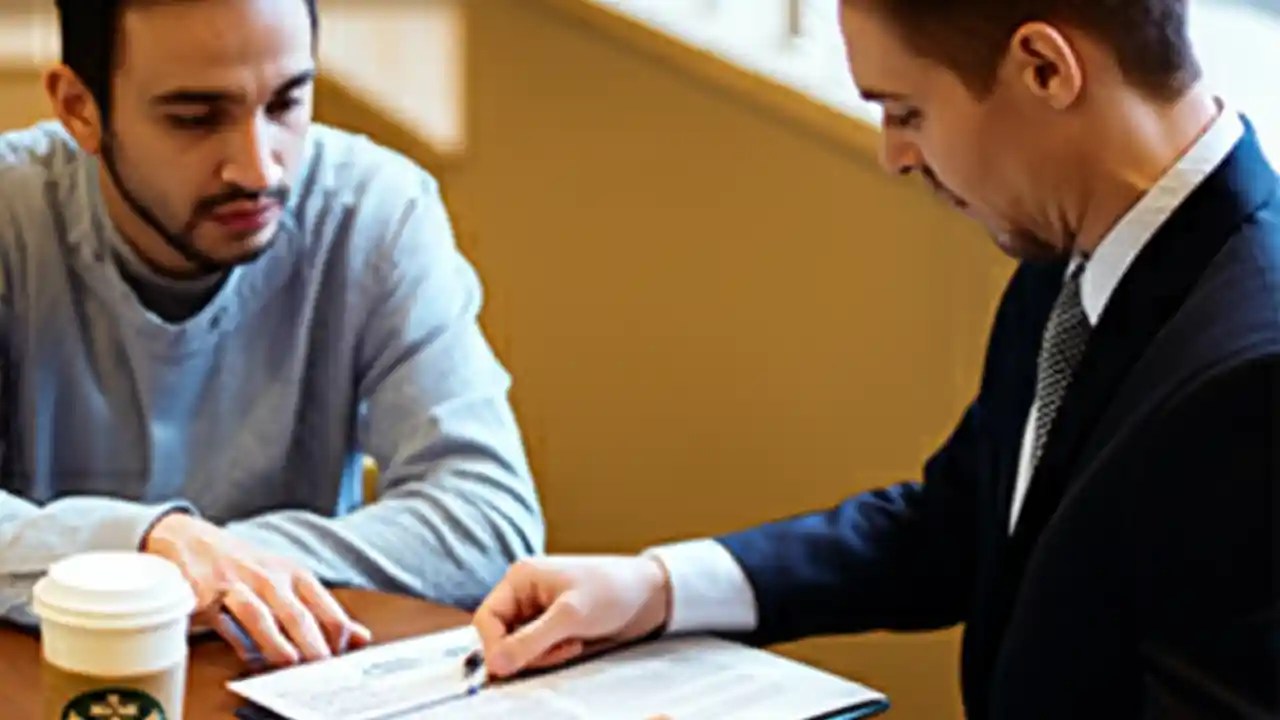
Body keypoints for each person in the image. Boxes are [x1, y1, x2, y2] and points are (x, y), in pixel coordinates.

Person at [471, 0, 1280, 717]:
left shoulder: (1252, 379)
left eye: (906, 111)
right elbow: (962, 523)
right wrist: (656, 589)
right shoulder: (1080, 255)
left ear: (1043, 67)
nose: (892, 156)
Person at [0, 0, 544, 669]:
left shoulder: (377, 213)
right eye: (195, 118)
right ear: (80, 107)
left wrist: (216, 567)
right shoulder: (9, 215)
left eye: (288, 103)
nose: (260, 170)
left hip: (288, 681)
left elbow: (489, 519)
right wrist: (151, 546)